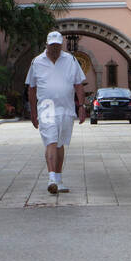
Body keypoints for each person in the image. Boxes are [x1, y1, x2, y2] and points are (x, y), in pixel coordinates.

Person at [25, 30, 87, 195]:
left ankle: (58, 180)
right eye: (52, 46)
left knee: (60, 144)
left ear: (61, 45)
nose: (55, 49)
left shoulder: (71, 60)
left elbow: (78, 84)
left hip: (66, 108)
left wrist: (81, 106)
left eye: (57, 46)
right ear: (46, 45)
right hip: (46, 107)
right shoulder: (37, 62)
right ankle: (51, 178)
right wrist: (33, 112)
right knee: (51, 140)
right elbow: (31, 88)